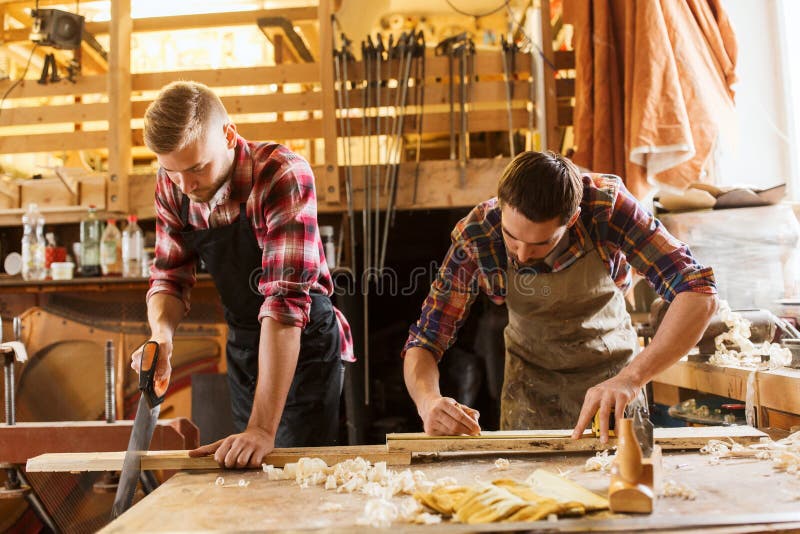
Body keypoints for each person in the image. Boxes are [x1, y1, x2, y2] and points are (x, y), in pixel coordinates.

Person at [402, 151, 717, 442]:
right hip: (530, 391)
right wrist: (428, 402)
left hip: (614, 383)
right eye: (512, 238)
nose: (522, 255)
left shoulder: (607, 208)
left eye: (540, 244)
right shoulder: (478, 233)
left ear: (572, 219)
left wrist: (632, 378)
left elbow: (697, 289)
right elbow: (425, 339)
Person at [132, 81, 354, 468]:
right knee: (248, 469)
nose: (186, 185)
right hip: (245, 344)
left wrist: (261, 429)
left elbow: (285, 304)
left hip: (302, 342)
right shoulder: (174, 183)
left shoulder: (281, 174)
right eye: (172, 171)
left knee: (299, 474)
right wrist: (161, 336)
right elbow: (169, 277)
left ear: (229, 136)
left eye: (197, 168)